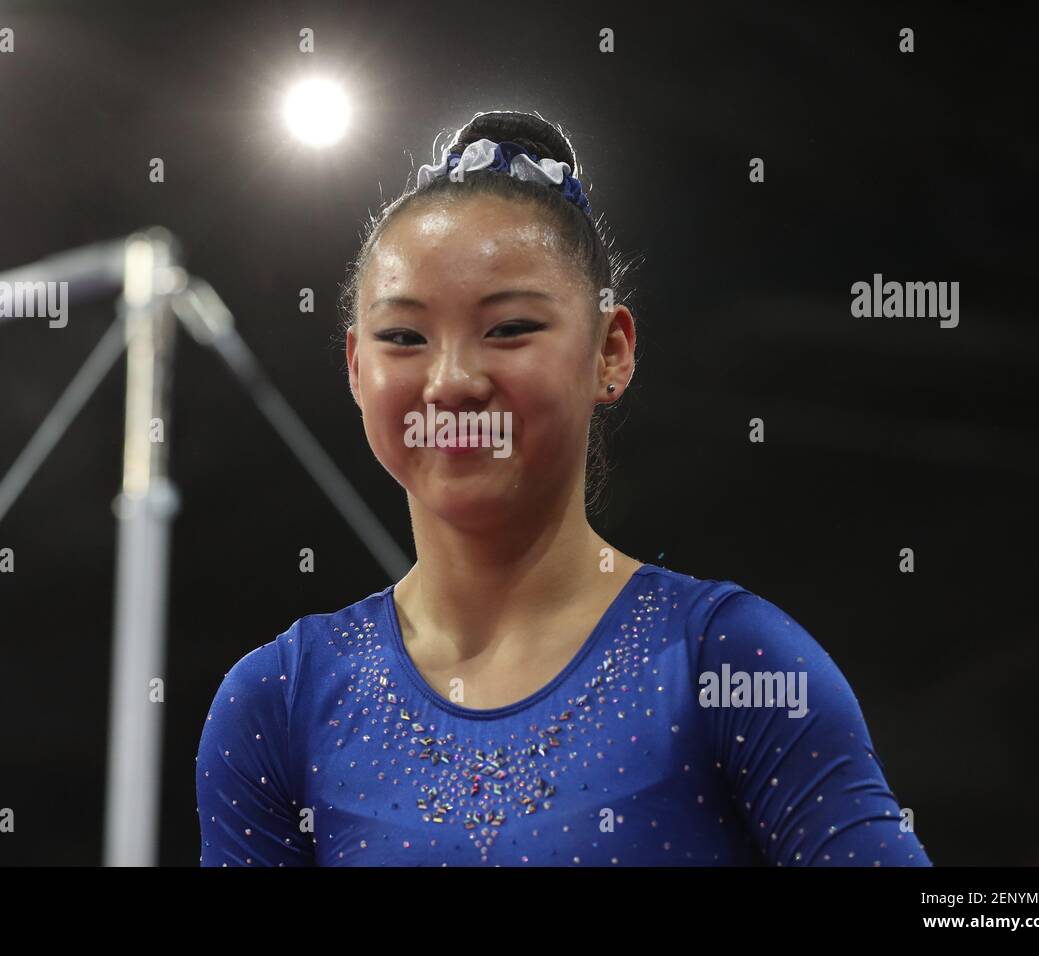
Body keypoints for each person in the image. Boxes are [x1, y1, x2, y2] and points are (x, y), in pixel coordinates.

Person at [195, 110, 932, 866]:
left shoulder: (726, 662)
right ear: (356, 368)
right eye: (404, 337)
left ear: (610, 352)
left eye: (509, 328)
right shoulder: (279, 702)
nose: (452, 381)